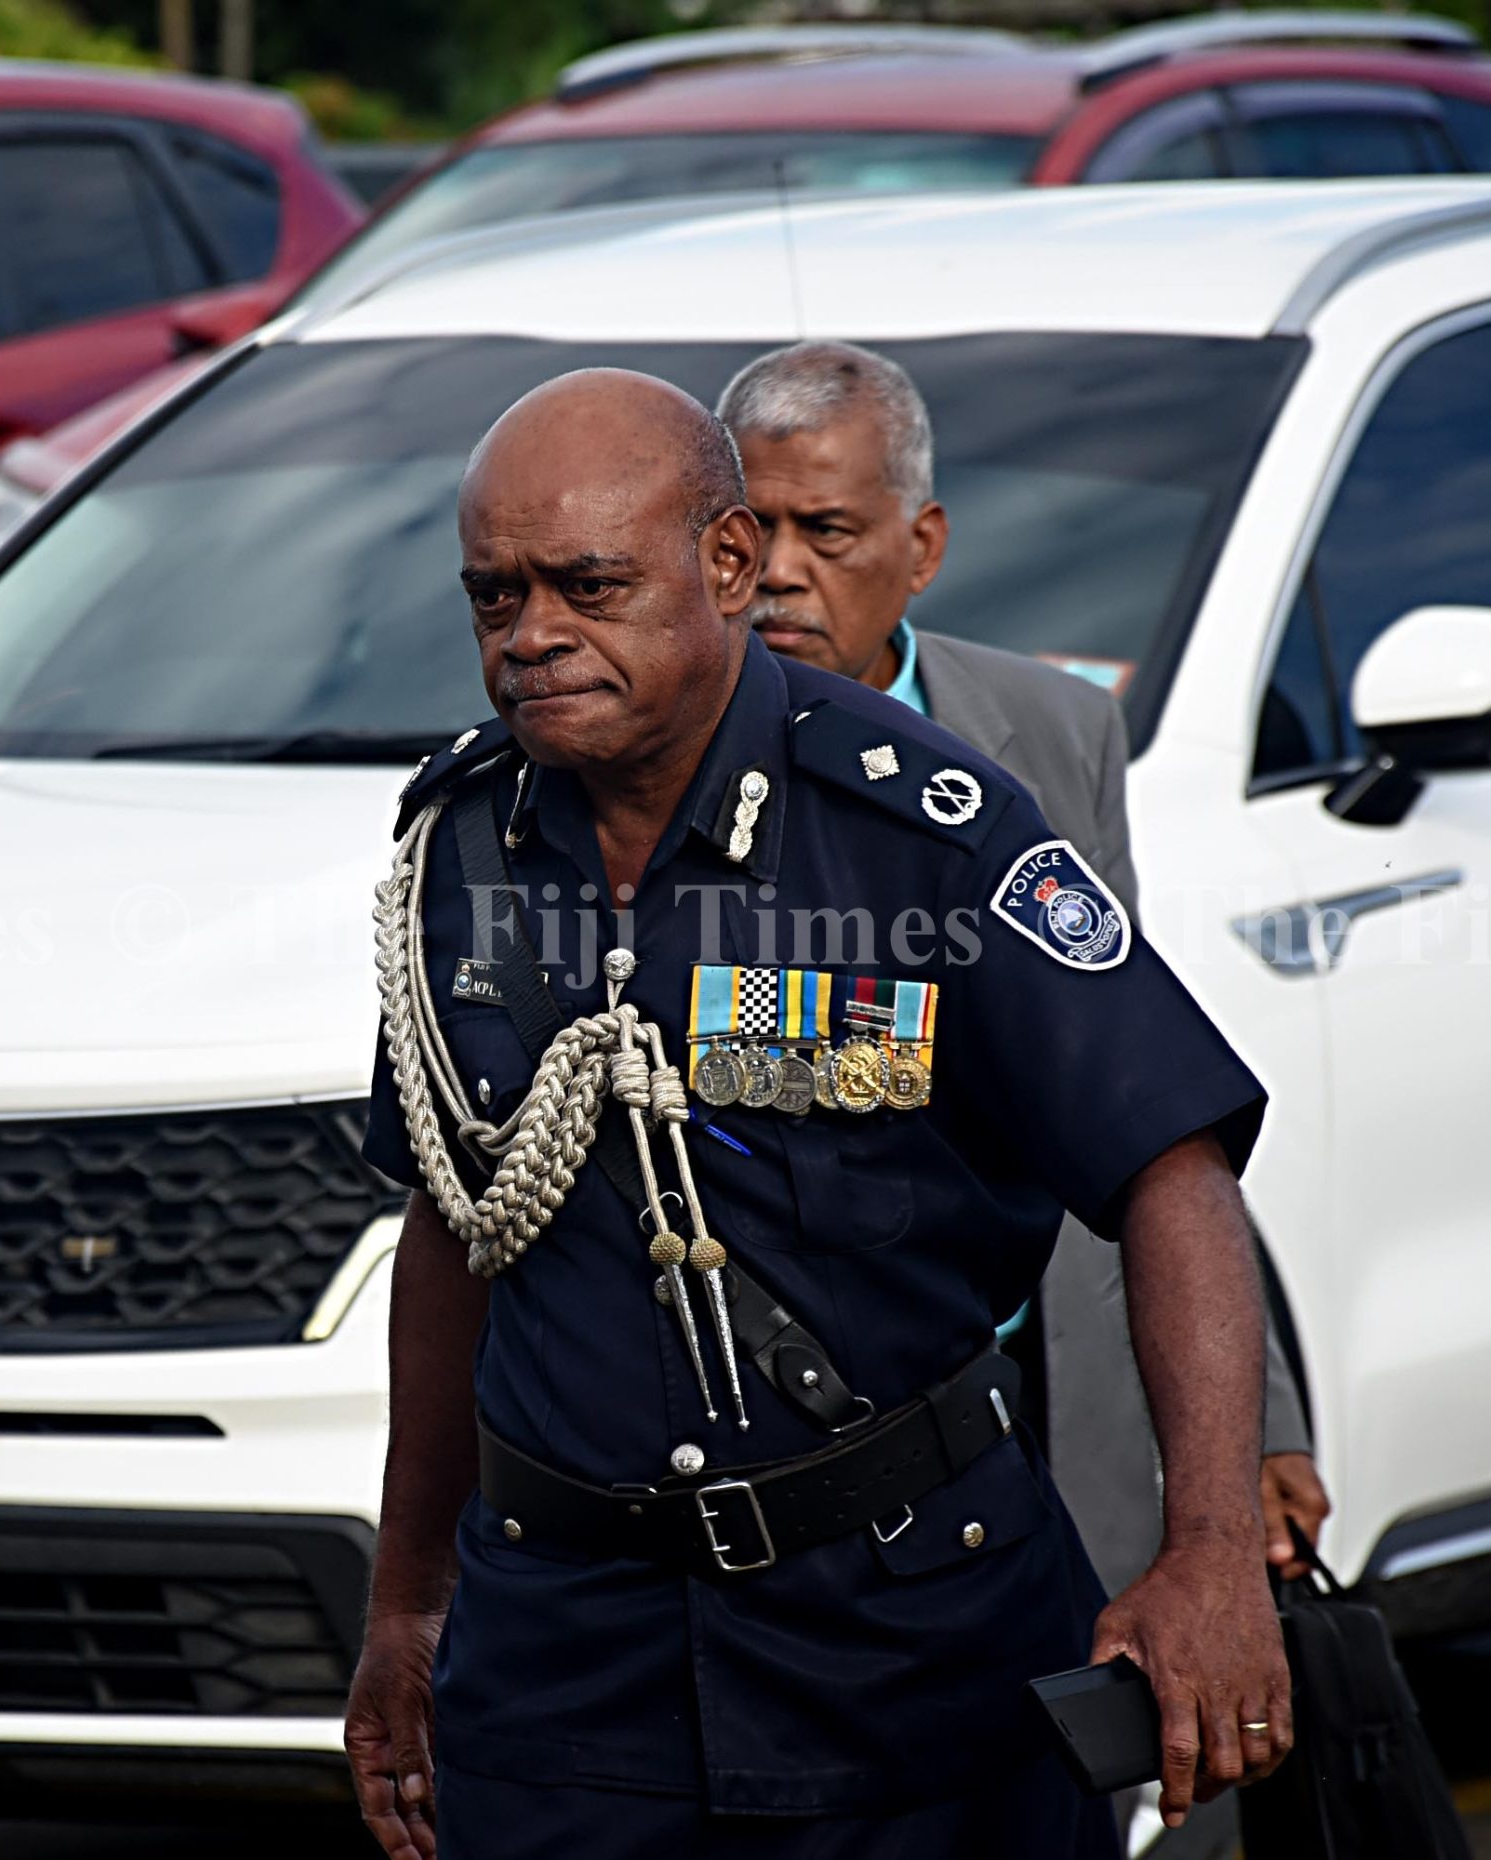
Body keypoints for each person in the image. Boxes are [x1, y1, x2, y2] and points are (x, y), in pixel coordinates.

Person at [347, 368, 1291, 1858]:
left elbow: (1172, 1171)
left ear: (726, 566)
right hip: (565, 1676)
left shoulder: (924, 833)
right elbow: (458, 1224)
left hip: (903, 1654)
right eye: (494, 597)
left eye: (586, 585)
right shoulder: (467, 846)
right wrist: (407, 1602)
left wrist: (1212, 1553)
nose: (532, 635)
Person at [716, 339, 1332, 1611]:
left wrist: (1257, 1417)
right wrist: (963, 1045)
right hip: (823, 1433)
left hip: (1052, 1388)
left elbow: (1141, 1094)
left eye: (825, 529)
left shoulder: (1054, 729)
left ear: (922, 544)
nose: (779, 572)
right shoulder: (666, 758)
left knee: (1117, 1763)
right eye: (750, 530)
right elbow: (721, 1054)